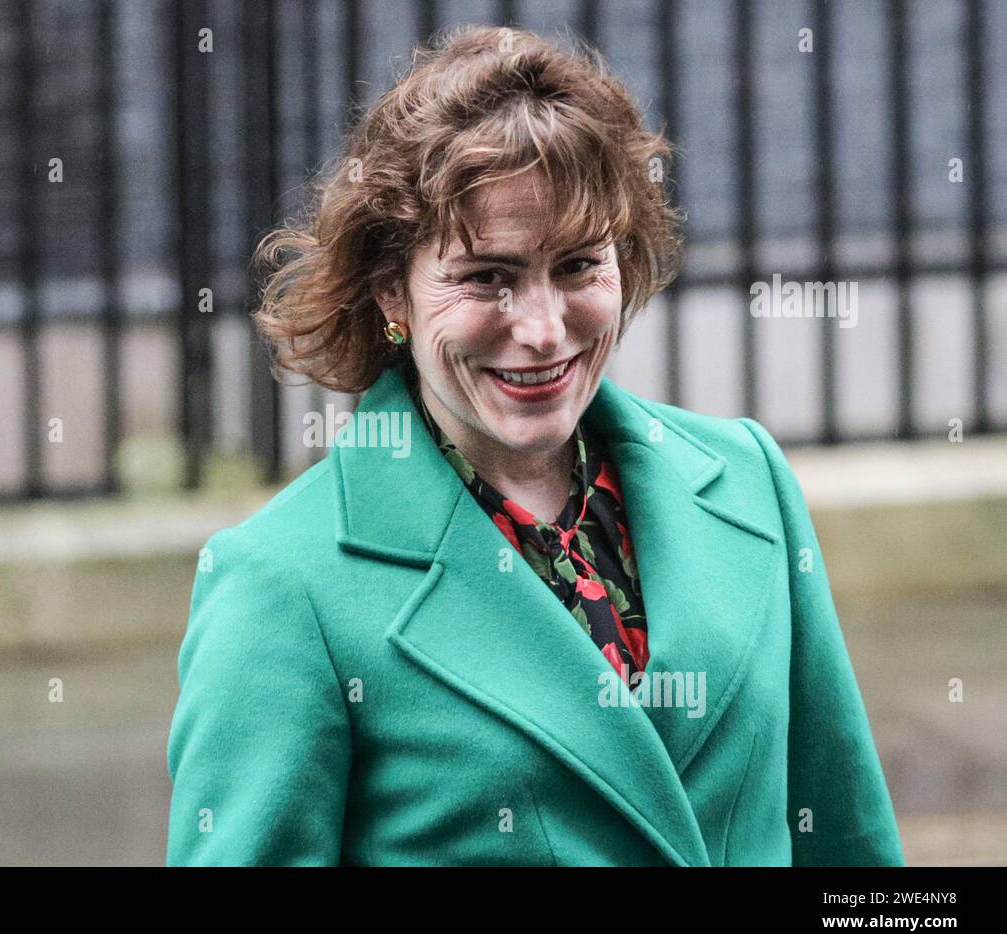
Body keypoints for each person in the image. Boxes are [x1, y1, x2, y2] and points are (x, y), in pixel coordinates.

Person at [164, 24, 904, 866]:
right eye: (487, 277)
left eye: (580, 264)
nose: (544, 330)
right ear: (390, 292)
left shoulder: (746, 478)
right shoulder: (283, 586)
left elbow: (851, 852)